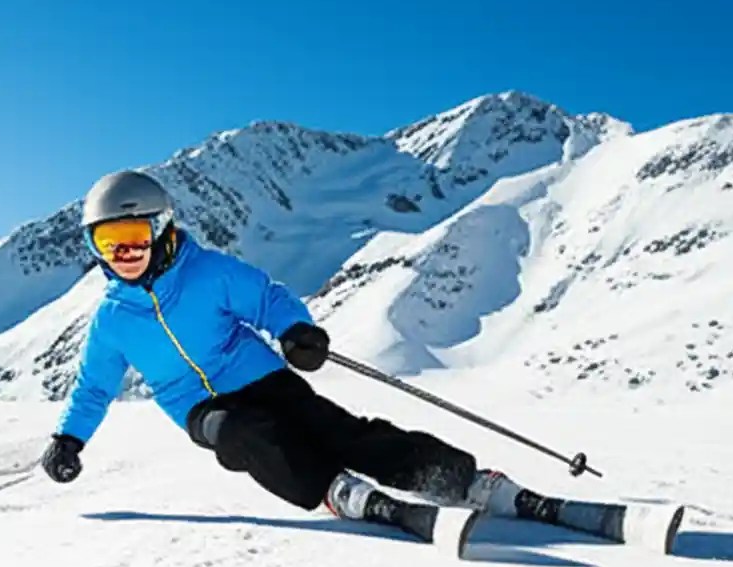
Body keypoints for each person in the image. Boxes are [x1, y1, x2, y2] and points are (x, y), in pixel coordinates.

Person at [41, 169, 531, 527]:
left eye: (132, 236)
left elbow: (268, 299)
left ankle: (460, 479)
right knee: (243, 435)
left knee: (339, 432)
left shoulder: (209, 272)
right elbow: (94, 387)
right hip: (199, 408)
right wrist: (69, 439)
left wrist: (296, 331)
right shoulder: (112, 321)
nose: (123, 253)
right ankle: (336, 491)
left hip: (263, 378)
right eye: (107, 241)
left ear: (161, 228)